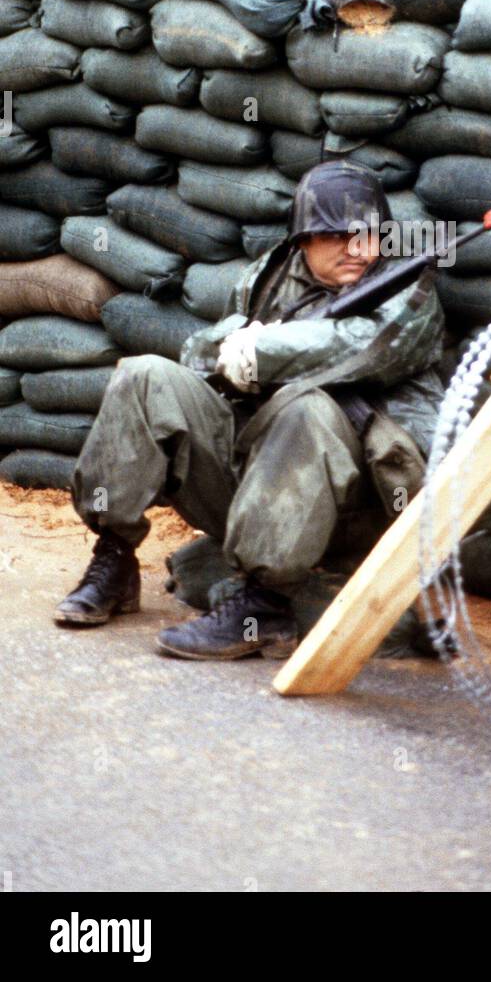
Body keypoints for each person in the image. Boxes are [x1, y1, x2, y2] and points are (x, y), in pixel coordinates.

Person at [54, 163, 445, 660]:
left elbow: (370, 345)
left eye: (368, 234)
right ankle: (114, 556)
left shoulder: (409, 285)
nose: (358, 248)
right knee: (145, 376)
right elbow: (202, 349)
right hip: (260, 490)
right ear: (303, 239)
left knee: (305, 406)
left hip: (356, 503)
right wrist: (234, 351)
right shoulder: (271, 276)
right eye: (336, 235)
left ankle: (266, 606)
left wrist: (269, 349)